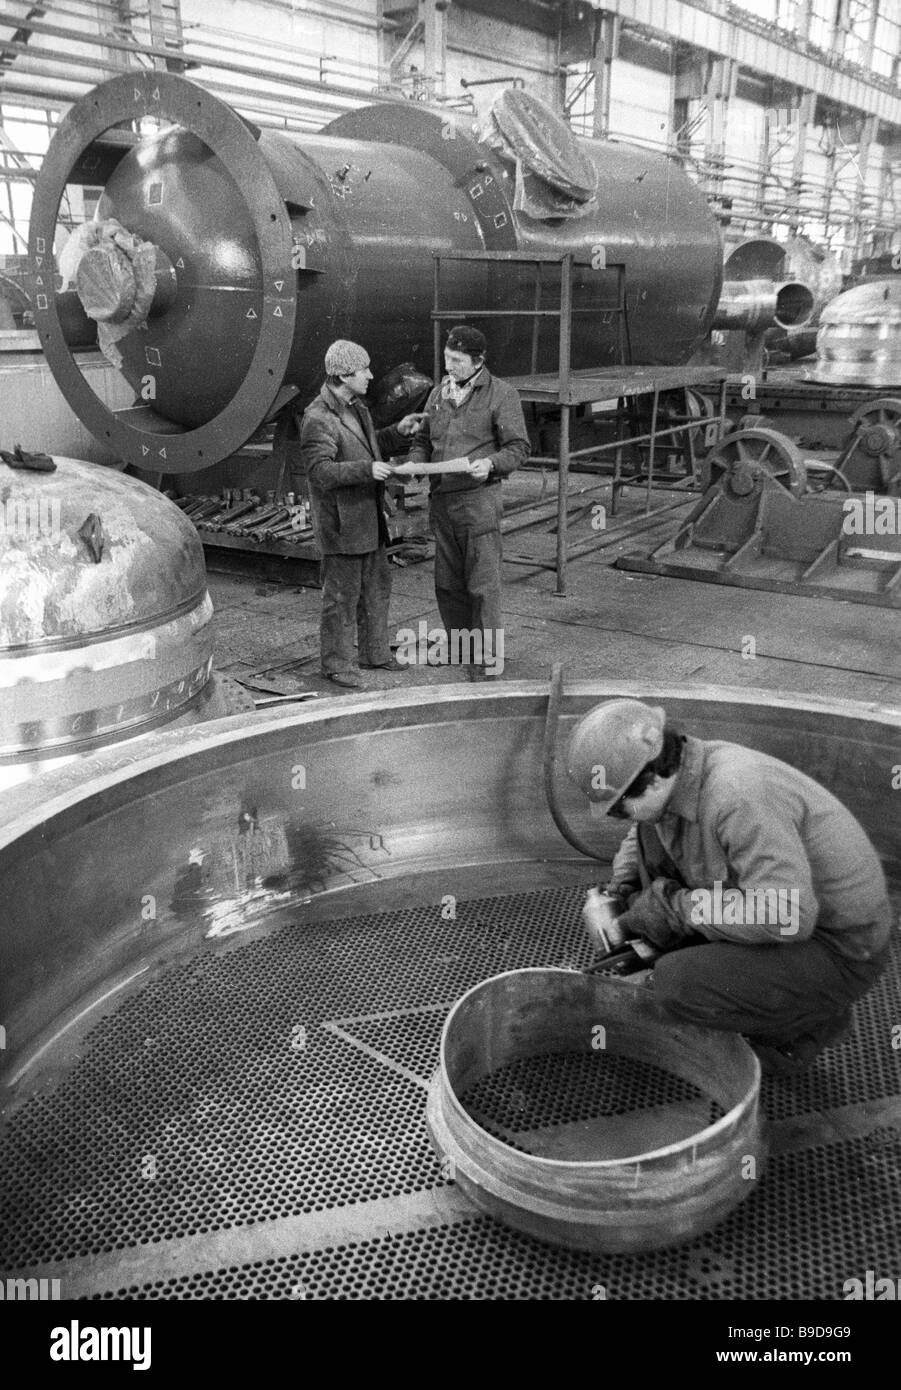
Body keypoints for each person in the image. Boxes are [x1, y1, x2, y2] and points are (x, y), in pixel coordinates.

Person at [565, 698, 893, 1074]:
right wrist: (621, 882)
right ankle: (705, 962)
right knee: (648, 844)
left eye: (618, 808)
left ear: (653, 779)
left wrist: (678, 908)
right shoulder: (683, 768)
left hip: (837, 947)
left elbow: (787, 915)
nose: (616, 817)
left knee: (678, 985)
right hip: (788, 913)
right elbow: (645, 830)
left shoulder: (738, 795)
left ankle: (807, 1026)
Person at [297, 340, 424, 688]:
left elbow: (371, 445)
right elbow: (321, 473)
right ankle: (336, 665)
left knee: (376, 588)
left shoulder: (357, 407)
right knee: (341, 597)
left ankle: (374, 654)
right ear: (343, 375)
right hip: (342, 523)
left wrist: (398, 432)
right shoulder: (318, 418)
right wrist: (368, 470)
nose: (370, 375)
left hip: (367, 518)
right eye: (363, 370)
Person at [406, 325, 530, 675]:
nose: (450, 366)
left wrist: (491, 464)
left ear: (479, 361)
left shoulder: (502, 395)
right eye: (447, 358)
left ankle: (487, 658)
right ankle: (460, 649)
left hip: (478, 501)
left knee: (482, 585)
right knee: (447, 583)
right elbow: (424, 439)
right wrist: (417, 462)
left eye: (457, 361)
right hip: (442, 500)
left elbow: (519, 448)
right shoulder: (436, 394)